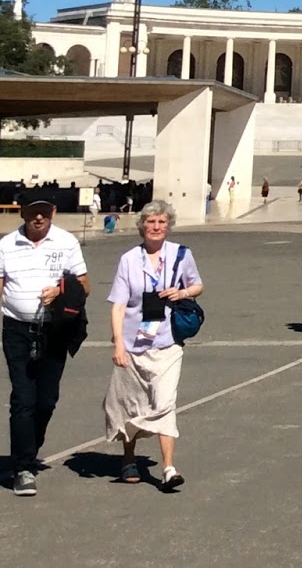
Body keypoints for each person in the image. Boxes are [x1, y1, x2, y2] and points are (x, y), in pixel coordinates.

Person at [104, 200, 201, 490]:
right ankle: (129, 458)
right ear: (142, 226)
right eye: (151, 222)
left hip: (168, 342)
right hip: (133, 343)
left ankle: (169, 467)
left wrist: (182, 292)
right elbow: (118, 305)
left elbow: (197, 285)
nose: (156, 227)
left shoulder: (181, 254)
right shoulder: (129, 259)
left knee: (165, 402)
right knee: (130, 404)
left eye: (161, 222)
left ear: (168, 226)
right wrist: (118, 344)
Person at [1, 197, 91, 496]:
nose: (38, 218)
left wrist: (60, 291)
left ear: (52, 212)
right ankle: (23, 467)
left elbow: (85, 285)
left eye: (43, 212)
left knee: (46, 400)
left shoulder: (66, 242)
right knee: (23, 398)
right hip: (17, 330)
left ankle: (29, 446)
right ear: (22, 213)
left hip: (54, 331)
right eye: (32, 212)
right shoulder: (6, 245)